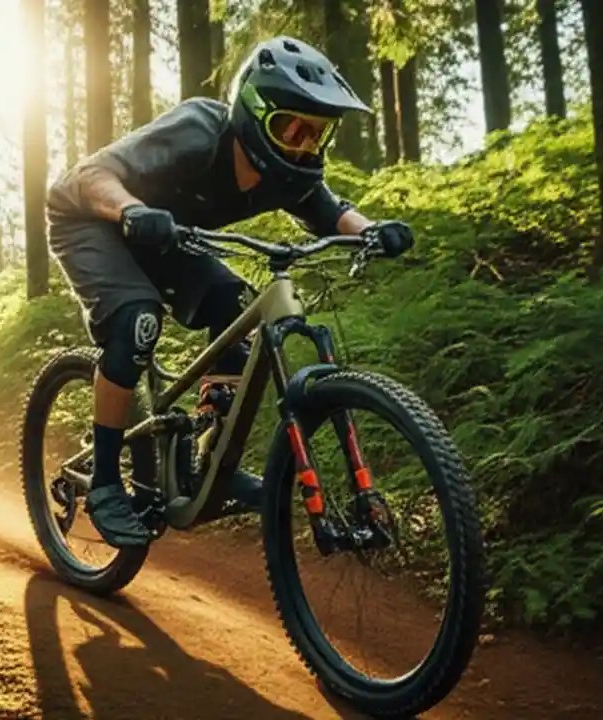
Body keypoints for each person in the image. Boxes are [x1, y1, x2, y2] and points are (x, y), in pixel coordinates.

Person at [44, 35, 414, 548]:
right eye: (293, 129)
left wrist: (374, 231)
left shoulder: (286, 172)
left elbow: (329, 209)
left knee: (236, 304)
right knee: (137, 322)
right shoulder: (199, 131)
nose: (305, 146)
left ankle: (211, 462)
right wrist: (130, 211)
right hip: (92, 220)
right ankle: (106, 481)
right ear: (255, 114)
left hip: (168, 236)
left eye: (316, 134)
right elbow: (90, 175)